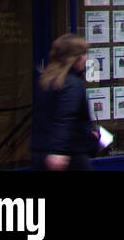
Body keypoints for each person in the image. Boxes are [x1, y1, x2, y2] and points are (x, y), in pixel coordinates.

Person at [32, 33, 100, 171]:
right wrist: (59, 151)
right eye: (83, 54)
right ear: (74, 58)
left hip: (43, 151)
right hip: (69, 155)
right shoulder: (71, 84)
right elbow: (66, 117)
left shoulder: (47, 80)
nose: (86, 58)